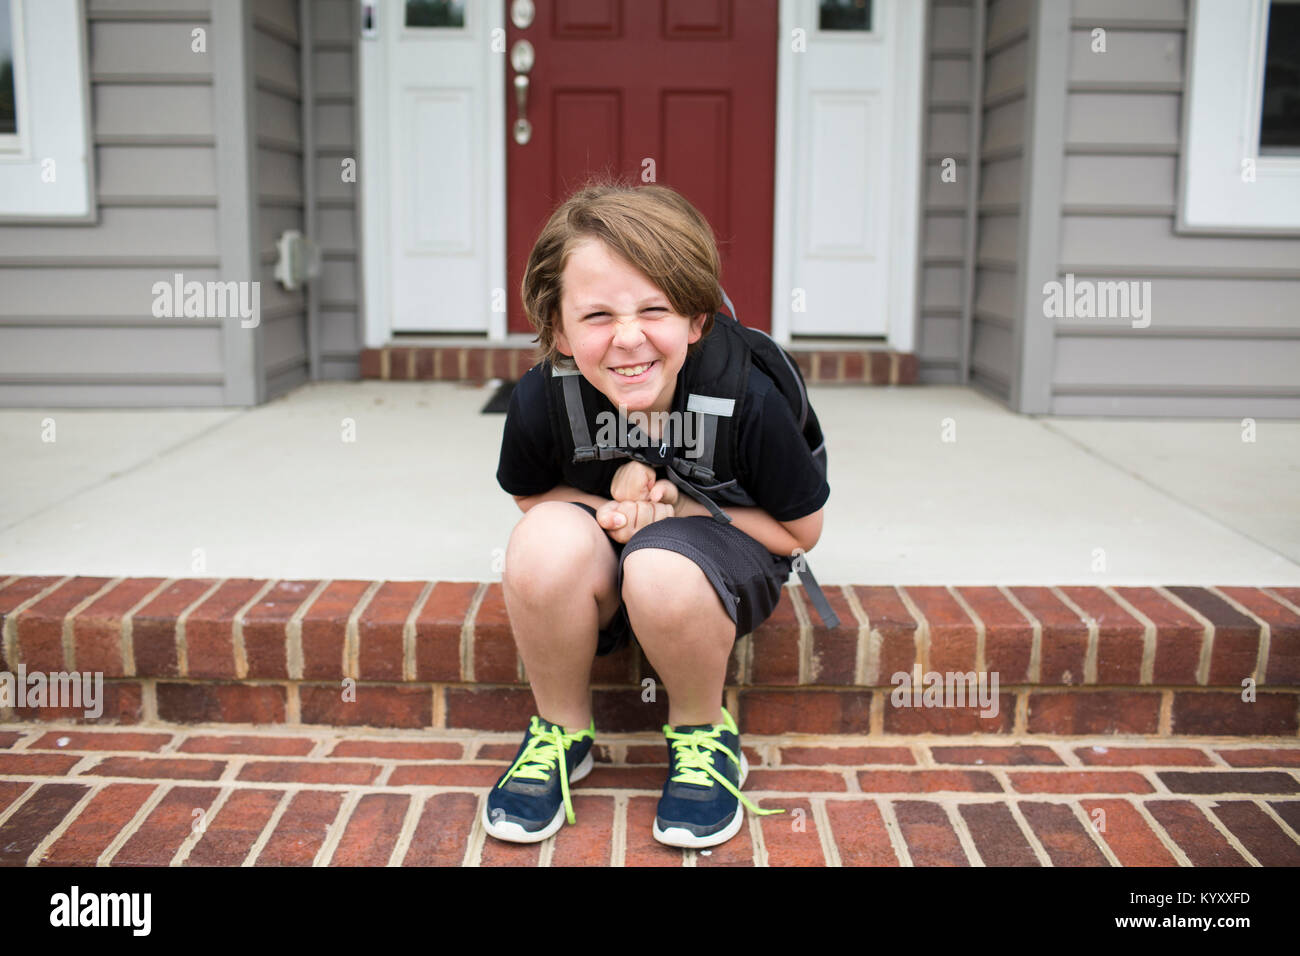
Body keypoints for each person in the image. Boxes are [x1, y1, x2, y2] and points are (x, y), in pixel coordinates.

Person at [488, 179, 829, 849]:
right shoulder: (542, 398)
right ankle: (562, 732)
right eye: (596, 317)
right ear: (557, 329)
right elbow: (531, 496)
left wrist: (677, 504)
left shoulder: (747, 396)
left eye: (655, 309)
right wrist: (611, 508)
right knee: (539, 540)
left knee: (662, 563)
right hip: (613, 555)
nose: (629, 339)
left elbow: (801, 534)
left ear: (697, 320)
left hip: (712, 563)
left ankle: (705, 734)